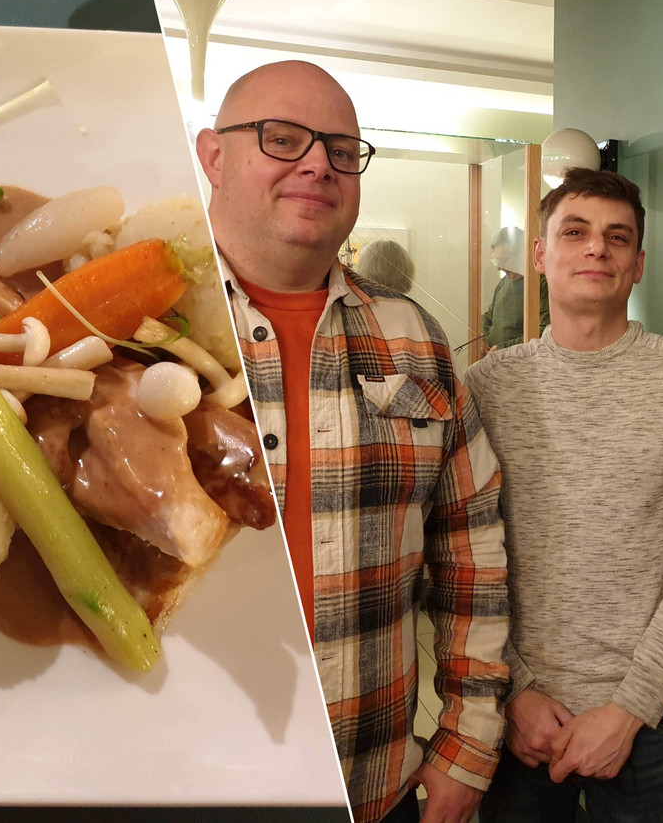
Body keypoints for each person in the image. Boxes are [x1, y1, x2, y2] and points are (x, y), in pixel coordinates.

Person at [194, 60, 509, 823]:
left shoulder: (415, 340)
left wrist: (469, 746)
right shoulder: (157, 314)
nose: (317, 164)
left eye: (341, 149)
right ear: (213, 155)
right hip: (191, 773)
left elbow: (471, 546)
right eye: (283, 138)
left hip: (375, 785)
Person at [466, 168, 663, 822]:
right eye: (576, 232)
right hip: (516, 718)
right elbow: (459, 560)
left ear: (638, 263)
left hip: (647, 724)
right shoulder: (485, 387)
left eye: (617, 238)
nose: (597, 249)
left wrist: (629, 709)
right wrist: (515, 688)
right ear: (540, 253)